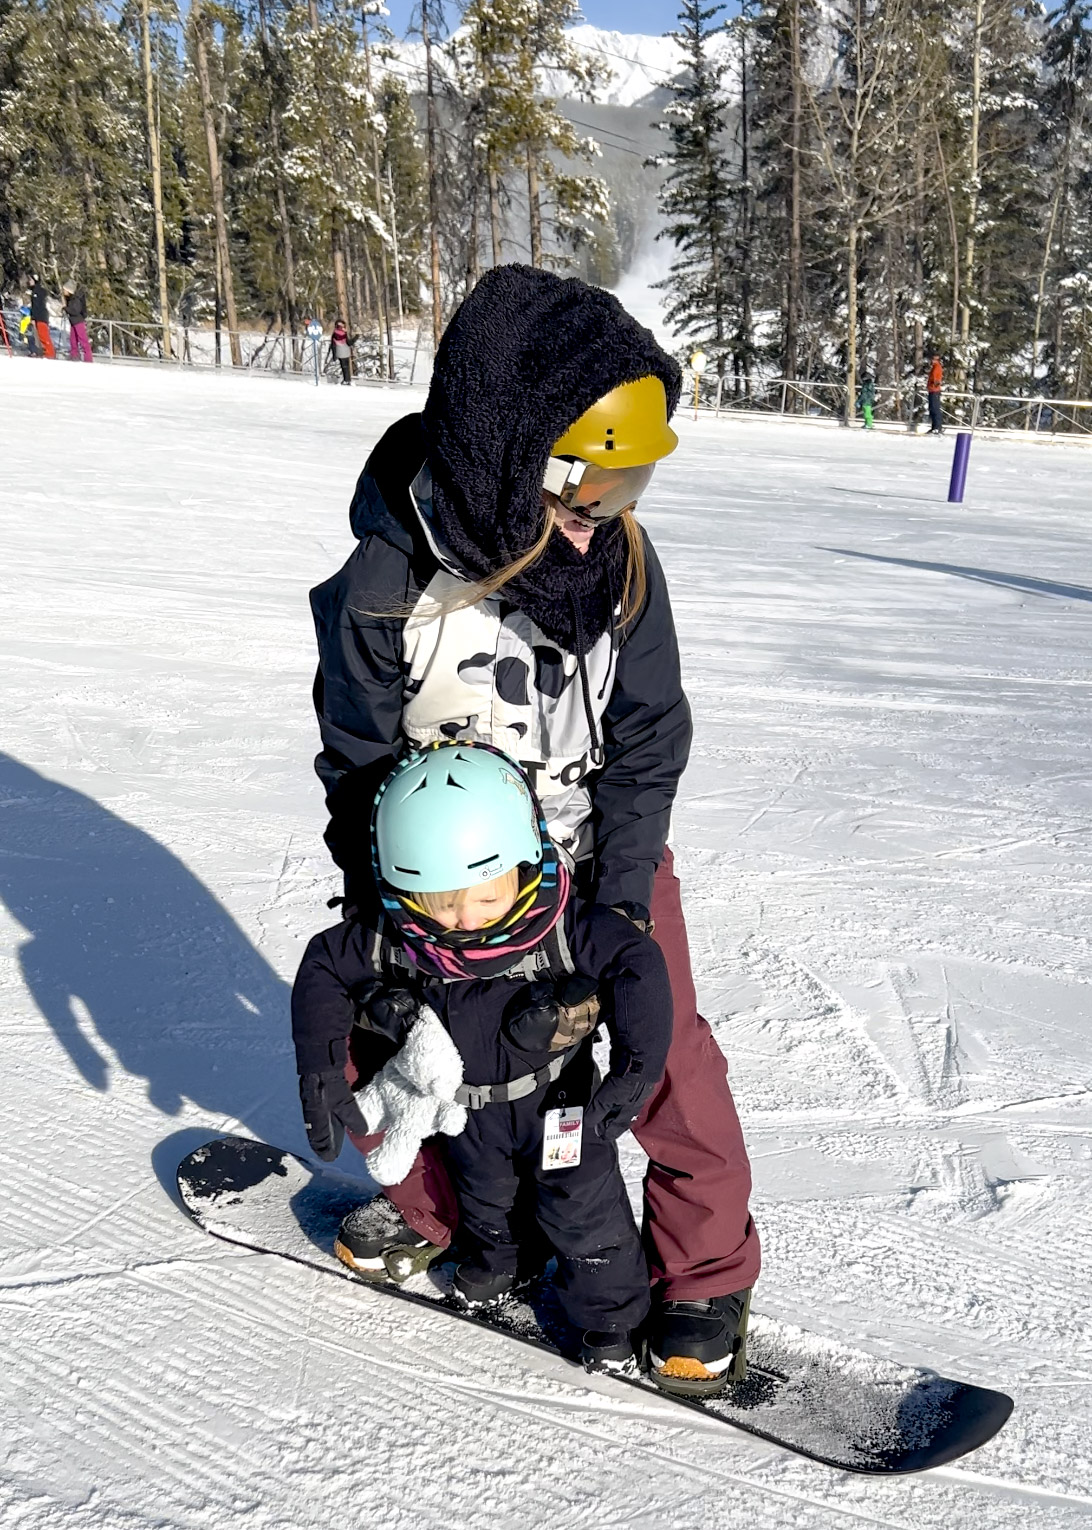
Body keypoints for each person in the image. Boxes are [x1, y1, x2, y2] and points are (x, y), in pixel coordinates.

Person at [305, 263, 760, 1396]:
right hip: (452, 877)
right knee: (412, 1055)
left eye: (628, 490)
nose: (603, 523)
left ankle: (704, 1266)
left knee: (666, 1051)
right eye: (587, 494)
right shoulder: (382, 587)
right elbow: (356, 757)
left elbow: (650, 734)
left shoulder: (620, 571)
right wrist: (382, 915)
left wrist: (620, 895)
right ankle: (441, 1210)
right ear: (508, 457)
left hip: (599, 855)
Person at [293, 741, 675, 1375]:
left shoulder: (565, 924)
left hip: (561, 1109)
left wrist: (640, 1063)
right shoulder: (400, 933)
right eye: (440, 902)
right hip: (469, 1116)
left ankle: (611, 1317)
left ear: (525, 863)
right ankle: (502, 1262)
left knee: (584, 1212)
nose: (465, 919)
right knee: (485, 1199)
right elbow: (325, 965)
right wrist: (321, 1063)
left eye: (486, 897)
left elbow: (637, 963)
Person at [63, 283, 93, 363]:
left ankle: (88, 358)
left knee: (83, 340)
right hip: (73, 321)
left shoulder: (76, 299)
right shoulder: (71, 299)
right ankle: (74, 355)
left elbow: (75, 311)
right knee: (73, 340)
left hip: (78, 321)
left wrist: (66, 309)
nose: (63, 291)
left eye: (65, 290)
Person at [29, 275, 55, 358]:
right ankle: (46, 352)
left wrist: (33, 317)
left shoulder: (37, 292)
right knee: (41, 336)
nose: (29, 281)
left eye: (31, 280)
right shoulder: (37, 291)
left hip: (40, 317)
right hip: (41, 316)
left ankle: (50, 353)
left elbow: (36, 306)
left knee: (44, 336)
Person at [328, 318, 353, 384]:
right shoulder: (342, 334)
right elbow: (349, 342)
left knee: (344, 366)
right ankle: (347, 380)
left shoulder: (335, 334)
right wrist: (356, 337)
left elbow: (333, 345)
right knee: (346, 367)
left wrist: (334, 354)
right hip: (344, 351)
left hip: (340, 352)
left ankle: (346, 380)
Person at [927, 354, 944, 434]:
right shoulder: (934, 367)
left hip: (934, 390)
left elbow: (936, 379)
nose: (932, 361)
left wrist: (935, 383)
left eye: (934, 359)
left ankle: (937, 427)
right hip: (932, 390)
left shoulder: (937, 367)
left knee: (935, 409)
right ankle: (934, 426)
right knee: (932, 409)